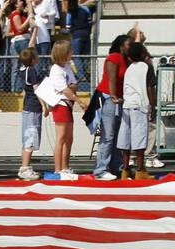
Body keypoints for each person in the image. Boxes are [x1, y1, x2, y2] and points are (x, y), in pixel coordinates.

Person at [37, 37, 89, 179]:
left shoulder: (66, 67)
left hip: (67, 104)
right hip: (61, 105)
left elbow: (72, 85)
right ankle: (58, 168)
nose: (71, 53)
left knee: (69, 137)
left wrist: (70, 90)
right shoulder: (56, 69)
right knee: (61, 137)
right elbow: (65, 90)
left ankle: (65, 166)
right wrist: (79, 100)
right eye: (69, 51)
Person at [93, 33, 129, 181]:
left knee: (115, 136)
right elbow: (111, 77)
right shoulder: (114, 57)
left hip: (115, 99)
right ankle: (101, 170)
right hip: (109, 98)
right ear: (121, 46)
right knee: (108, 136)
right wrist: (114, 96)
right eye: (128, 44)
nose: (130, 47)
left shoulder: (124, 59)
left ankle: (115, 166)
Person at [119, 40, 154, 181]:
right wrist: (153, 106)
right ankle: (140, 170)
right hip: (140, 104)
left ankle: (125, 169)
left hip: (127, 104)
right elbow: (150, 87)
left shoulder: (129, 68)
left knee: (126, 137)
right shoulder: (146, 67)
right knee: (140, 138)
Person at [16, 46, 44, 180]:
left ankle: (25, 166)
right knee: (31, 137)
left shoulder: (22, 68)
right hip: (33, 106)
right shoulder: (31, 70)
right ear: (32, 59)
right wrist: (44, 105)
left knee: (27, 136)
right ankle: (25, 168)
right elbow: (37, 89)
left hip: (28, 106)